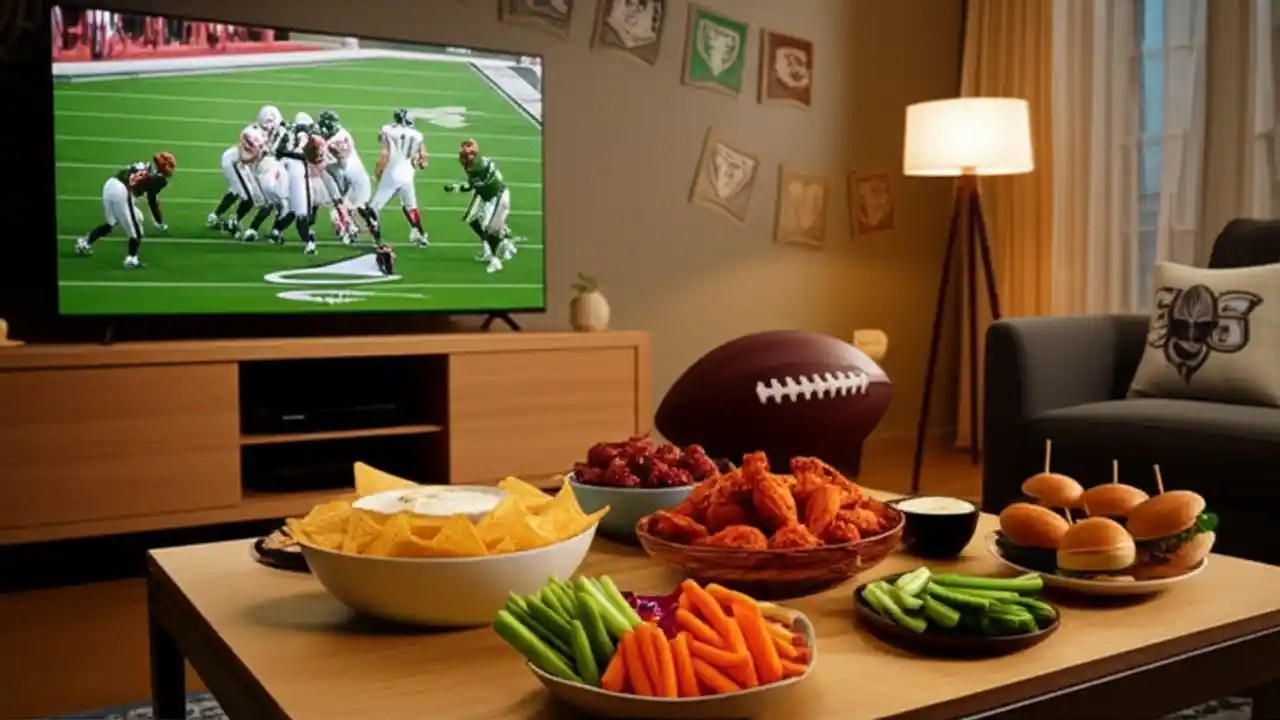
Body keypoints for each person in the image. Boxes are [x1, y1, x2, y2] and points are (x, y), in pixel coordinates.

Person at [75, 152, 176, 269]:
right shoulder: (160, 179)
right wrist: (160, 222)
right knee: (136, 230)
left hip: (110, 184)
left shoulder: (145, 165)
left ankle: (84, 243)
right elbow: (152, 200)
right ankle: (132, 259)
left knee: (112, 222)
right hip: (122, 191)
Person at [209, 104, 281, 239]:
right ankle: (233, 222)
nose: (270, 129)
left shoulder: (268, 134)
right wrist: (260, 154)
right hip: (234, 163)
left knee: (238, 192)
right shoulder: (252, 133)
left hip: (242, 165)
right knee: (248, 197)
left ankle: (217, 217)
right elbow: (245, 158)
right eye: (268, 125)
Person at [444, 139, 516, 274]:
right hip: (488, 195)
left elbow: (470, 186)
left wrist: (455, 187)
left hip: (496, 197)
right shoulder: (479, 161)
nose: (462, 158)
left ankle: (495, 259)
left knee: (489, 228)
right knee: (474, 220)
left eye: (464, 156)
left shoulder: (475, 167)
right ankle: (501, 245)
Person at [370, 108, 429, 247]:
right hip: (408, 174)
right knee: (411, 207)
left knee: (374, 208)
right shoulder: (417, 135)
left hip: (392, 173)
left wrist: (376, 174)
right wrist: (418, 162)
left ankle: (377, 239)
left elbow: (385, 155)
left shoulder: (387, 130)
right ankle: (421, 235)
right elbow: (424, 161)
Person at [318, 110, 376, 244]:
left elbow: (341, 160)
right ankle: (368, 229)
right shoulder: (344, 133)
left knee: (339, 206)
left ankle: (348, 230)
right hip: (358, 176)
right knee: (357, 206)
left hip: (347, 177)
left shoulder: (332, 142)